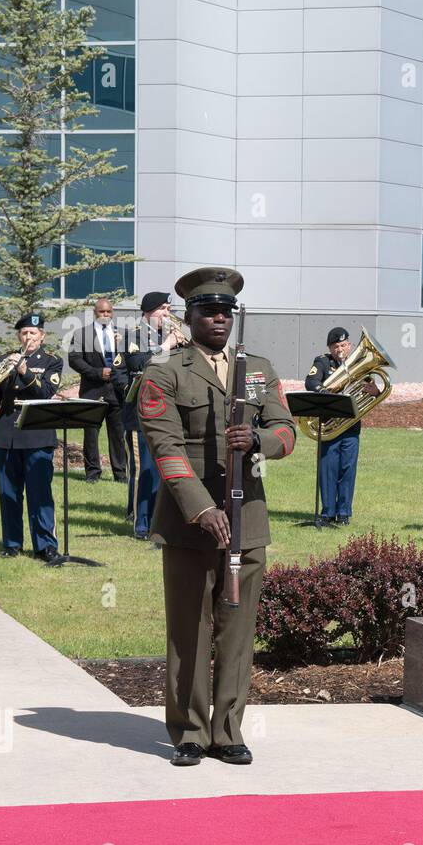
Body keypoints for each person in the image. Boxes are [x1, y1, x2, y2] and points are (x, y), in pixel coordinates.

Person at [137, 267, 297, 767]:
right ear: (191, 315)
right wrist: (202, 508)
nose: (219, 318)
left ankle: (227, 730)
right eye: (208, 310)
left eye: (227, 311)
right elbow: (163, 447)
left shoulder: (259, 368)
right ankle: (189, 731)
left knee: (237, 628)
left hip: (246, 517)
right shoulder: (164, 371)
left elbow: (287, 430)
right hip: (189, 522)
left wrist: (260, 441)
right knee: (189, 630)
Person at [0, 312, 65, 565]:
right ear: (19, 336)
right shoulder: (3, 359)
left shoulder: (52, 362)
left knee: (40, 493)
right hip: (6, 435)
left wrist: (25, 370)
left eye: (33, 333)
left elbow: (45, 391)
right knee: (8, 493)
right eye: (24, 333)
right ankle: (11, 544)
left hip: (37, 434)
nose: (28, 337)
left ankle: (45, 547)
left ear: (42, 336)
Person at [123, 292, 183, 541]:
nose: (167, 314)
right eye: (162, 309)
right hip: (139, 414)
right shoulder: (134, 335)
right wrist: (166, 346)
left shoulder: (169, 335)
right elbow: (138, 364)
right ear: (148, 312)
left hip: (167, 414)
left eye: (168, 309)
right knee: (143, 471)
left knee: (163, 470)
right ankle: (141, 524)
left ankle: (159, 521)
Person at [304, 327, 378, 527]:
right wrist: (327, 393)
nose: (340, 349)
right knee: (328, 469)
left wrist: (375, 391)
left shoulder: (359, 366)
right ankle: (328, 512)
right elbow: (311, 382)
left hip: (351, 427)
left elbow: (371, 388)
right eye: (336, 346)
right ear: (330, 347)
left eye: (343, 345)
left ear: (350, 345)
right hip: (329, 425)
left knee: (348, 469)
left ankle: (344, 513)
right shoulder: (322, 362)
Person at [67, 298, 129, 484]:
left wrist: (122, 346)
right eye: (102, 312)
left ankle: (120, 474)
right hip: (92, 390)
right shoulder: (81, 334)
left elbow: (130, 360)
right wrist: (96, 373)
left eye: (109, 312)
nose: (105, 315)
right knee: (91, 434)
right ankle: (92, 473)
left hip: (116, 392)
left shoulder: (122, 334)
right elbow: (74, 359)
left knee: (118, 434)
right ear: (95, 312)